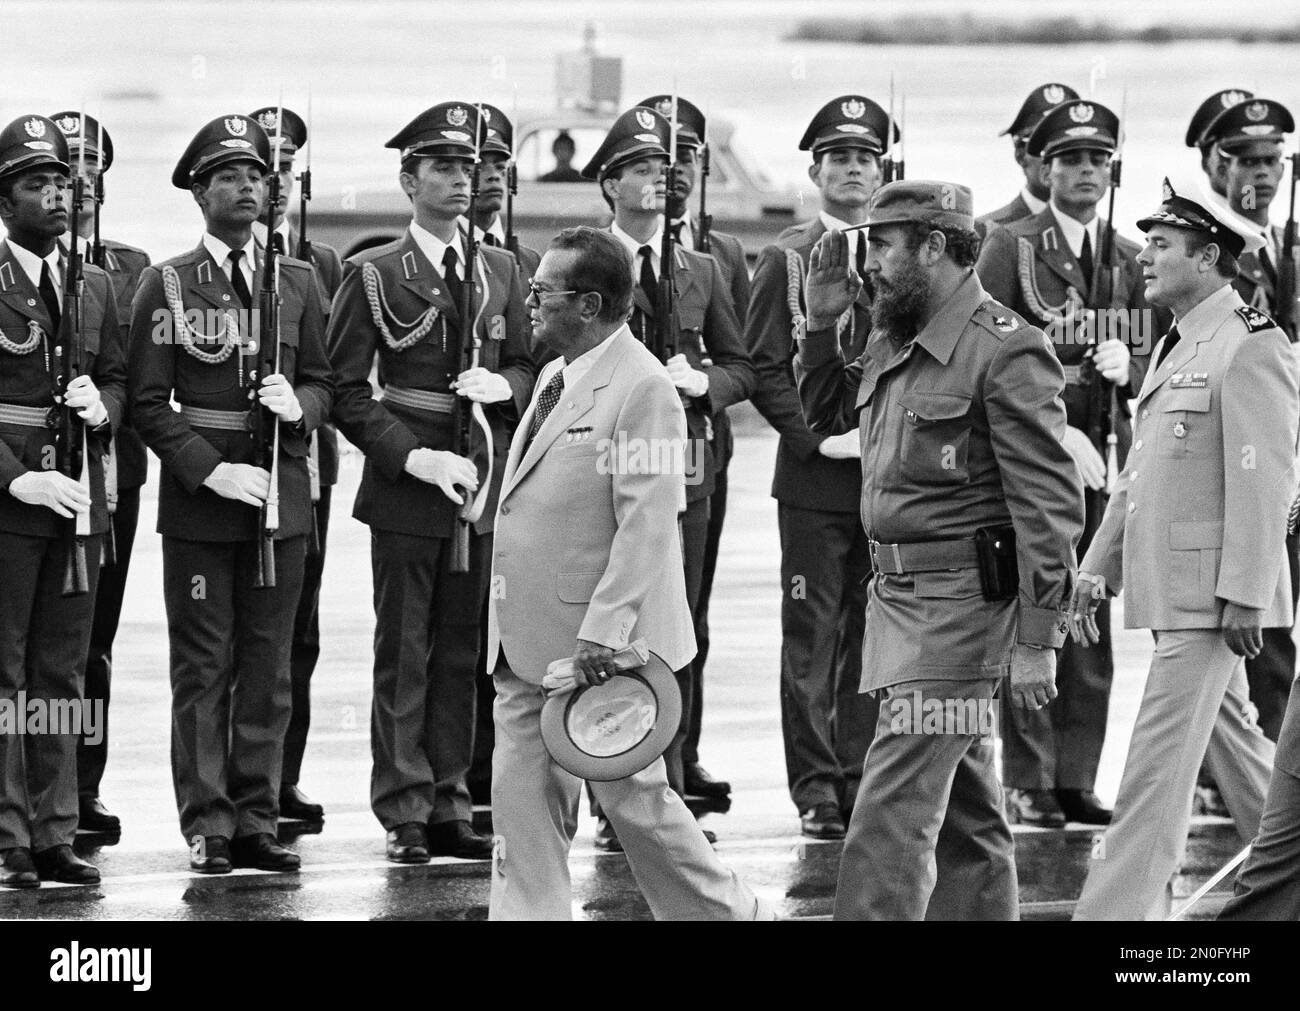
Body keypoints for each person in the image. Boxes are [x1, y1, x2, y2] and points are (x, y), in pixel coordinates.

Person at [796, 180, 1083, 920]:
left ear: (934, 246)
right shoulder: (896, 337)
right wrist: (822, 327)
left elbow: (1048, 507)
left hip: (959, 617)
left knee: (889, 815)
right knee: (965, 815)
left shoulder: (1006, 350)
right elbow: (824, 411)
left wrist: (1038, 639)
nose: (871, 264)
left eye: (885, 244)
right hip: (898, 607)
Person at [486, 225, 769, 921]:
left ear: (587, 304)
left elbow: (647, 522)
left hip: (602, 648)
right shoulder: (556, 377)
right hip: (527, 640)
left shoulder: (642, 386)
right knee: (521, 802)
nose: (528, 300)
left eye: (542, 290)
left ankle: (733, 916)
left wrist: (602, 634)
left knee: (636, 802)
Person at [1069, 176, 1294, 920]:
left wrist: (1246, 594)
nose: (1145, 257)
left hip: (1211, 600)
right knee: (1248, 761)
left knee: (1153, 776)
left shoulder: (1250, 344)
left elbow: (1267, 480)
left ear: (1208, 257)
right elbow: (1140, 475)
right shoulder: (1179, 340)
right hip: (1179, 591)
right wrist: (1097, 569)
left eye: (1162, 245)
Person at [327, 102, 535, 864]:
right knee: (405, 647)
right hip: (410, 483)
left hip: (480, 481)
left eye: (470, 169)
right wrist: (412, 457)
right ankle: (404, 805)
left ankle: (452, 797)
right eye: (442, 168)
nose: (460, 181)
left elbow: (530, 363)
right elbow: (345, 388)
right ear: (408, 179)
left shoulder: (503, 269)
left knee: (462, 648)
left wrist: (502, 385)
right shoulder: (375, 271)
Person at [129, 114, 334, 874]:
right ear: (198, 192)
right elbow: (148, 404)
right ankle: (209, 822)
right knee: (204, 665)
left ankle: (256, 815)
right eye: (229, 177)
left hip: (280, 501)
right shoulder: (168, 283)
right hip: (203, 504)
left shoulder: (299, 280)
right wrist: (209, 469)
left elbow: (326, 383)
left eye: (256, 176)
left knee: (269, 665)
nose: (248, 187)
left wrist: (301, 406)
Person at [977, 97, 1156, 827]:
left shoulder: (1126, 255)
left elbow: (1158, 355)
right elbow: (986, 354)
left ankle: (1076, 774)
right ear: (1043, 166)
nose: (1087, 172)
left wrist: (1132, 362)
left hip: (1106, 460)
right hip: (1037, 459)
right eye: (1072, 159)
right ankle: (1028, 774)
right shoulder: (1008, 245)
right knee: (1036, 610)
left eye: (1098, 160)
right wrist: (1054, 435)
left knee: (1090, 618)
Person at [581, 105, 754, 849]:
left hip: (688, 471)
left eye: (665, 171)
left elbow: (746, 366)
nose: (661, 181)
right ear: (611, 184)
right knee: (613, 626)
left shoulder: (703, 268)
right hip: (611, 470)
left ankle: (672, 780)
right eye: (644, 170)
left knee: (683, 629)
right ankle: (613, 784)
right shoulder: (585, 266)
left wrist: (703, 382)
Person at [746, 95, 890, 839]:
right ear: (816, 170)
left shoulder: (906, 251)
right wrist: (814, 438)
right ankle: (814, 787)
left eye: (866, 158)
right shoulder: (786, 257)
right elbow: (765, 365)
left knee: (877, 633)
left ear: (883, 168)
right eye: (840, 158)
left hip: (890, 477)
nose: (854, 170)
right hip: (815, 478)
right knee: (812, 633)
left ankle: (864, 769)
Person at [0, 114, 127, 888]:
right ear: (5, 199)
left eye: (60, 183)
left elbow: (119, 379)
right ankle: (8, 827)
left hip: (79, 500)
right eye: (34, 184)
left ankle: (54, 825)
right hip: (15, 502)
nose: (54, 195)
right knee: (6, 674)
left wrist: (100, 404)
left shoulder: (95, 283)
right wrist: (16, 477)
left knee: (63, 672)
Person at [636, 93, 750, 802]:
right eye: (660, 158)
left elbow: (743, 361)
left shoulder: (719, 253)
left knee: (692, 614)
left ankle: (685, 748)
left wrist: (705, 382)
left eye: (686, 158)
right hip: (631, 458)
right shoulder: (615, 250)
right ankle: (640, 755)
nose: (674, 171)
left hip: (704, 452)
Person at [50, 110, 151, 836]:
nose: (81, 182)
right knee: (28, 643)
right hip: (35, 476)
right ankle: (27, 786)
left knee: (94, 640)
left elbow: (137, 379)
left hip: (112, 474)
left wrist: (106, 415)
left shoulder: (128, 266)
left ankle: (81, 787)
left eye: (93, 169)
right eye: (66, 169)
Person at [248, 104, 345, 824]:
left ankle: (282, 775)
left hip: (306, 464)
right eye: (263, 165)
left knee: (297, 631)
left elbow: (329, 373)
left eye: (285, 167)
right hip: (240, 466)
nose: (276, 179)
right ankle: (239, 782)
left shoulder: (322, 262)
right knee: (239, 633)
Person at [1184, 87, 1260, 820]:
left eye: (1273, 159)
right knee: (1226, 717)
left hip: (1227, 561)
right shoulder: (1181, 327)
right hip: (1194, 568)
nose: (1261, 173)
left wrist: (1247, 586)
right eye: (1245, 158)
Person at [977, 83, 1079, 237]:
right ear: (1020, 155)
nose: (1055, 158)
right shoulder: (985, 232)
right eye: (1043, 146)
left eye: (1068, 150)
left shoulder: (1104, 240)